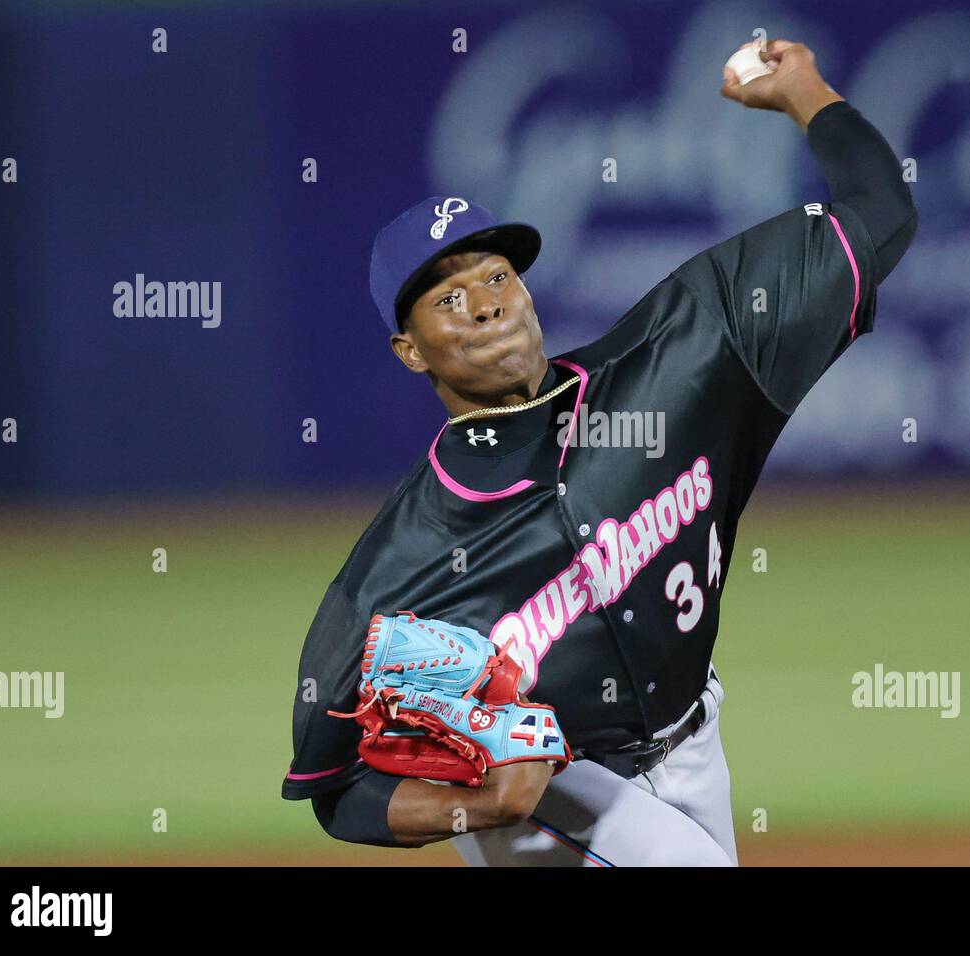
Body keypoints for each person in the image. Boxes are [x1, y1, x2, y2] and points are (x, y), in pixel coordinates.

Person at [282, 39, 917, 866]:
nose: (484, 305)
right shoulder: (399, 563)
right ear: (411, 350)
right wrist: (472, 810)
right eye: (448, 297)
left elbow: (878, 213)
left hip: (696, 744)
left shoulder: (688, 350)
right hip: (552, 799)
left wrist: (804, 91)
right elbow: (333, 786)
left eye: (498, 275)